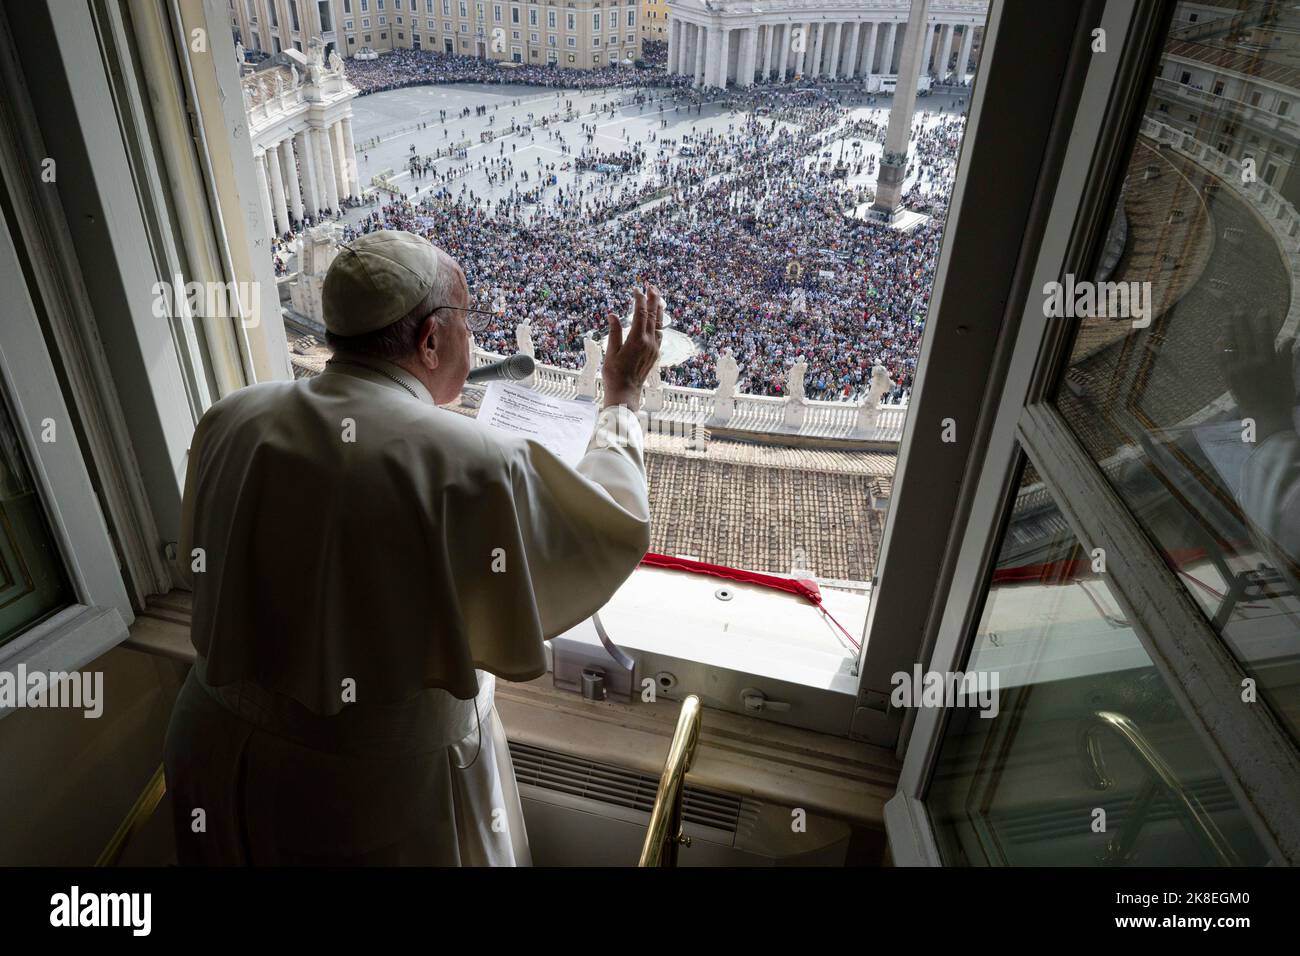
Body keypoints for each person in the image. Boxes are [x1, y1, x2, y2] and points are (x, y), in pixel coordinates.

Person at [164, 229, 663, 865]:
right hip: (370, 795)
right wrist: (621, 402)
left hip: (214, 748)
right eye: (467, 322)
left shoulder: (233, 415)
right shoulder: (477, 461)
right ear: (430, 340)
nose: (474, 338)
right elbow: (610, 521)